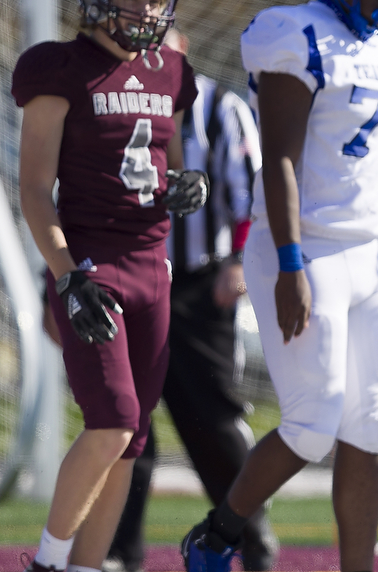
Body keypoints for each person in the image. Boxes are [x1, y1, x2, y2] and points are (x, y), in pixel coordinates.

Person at [181, 0, 378, 572]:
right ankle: (217, 535)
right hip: (306, 246)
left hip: (370, 251)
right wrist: (289, 263)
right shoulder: (298, 33)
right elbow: (279, 158)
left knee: (369, 428)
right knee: (313, 424)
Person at [14, 0, 205, 572]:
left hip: (155, 265)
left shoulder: (172, 70)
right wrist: (67, 276)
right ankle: (48, 561)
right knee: (114, 420)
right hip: (92, 265)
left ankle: (86, 566)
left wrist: (188, 185)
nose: (146, 11)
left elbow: (170, 165)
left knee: (132, 439)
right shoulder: (57, 68)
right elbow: (36, 190)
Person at [104, 28, 277, 572]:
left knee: (210, 419)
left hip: (201, 289)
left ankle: (250, 535)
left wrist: (238, 265)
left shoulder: (221, 109)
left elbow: (258, 191)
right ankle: (119, 552)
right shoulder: (111, 108)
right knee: (126, 423)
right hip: (130, 282)